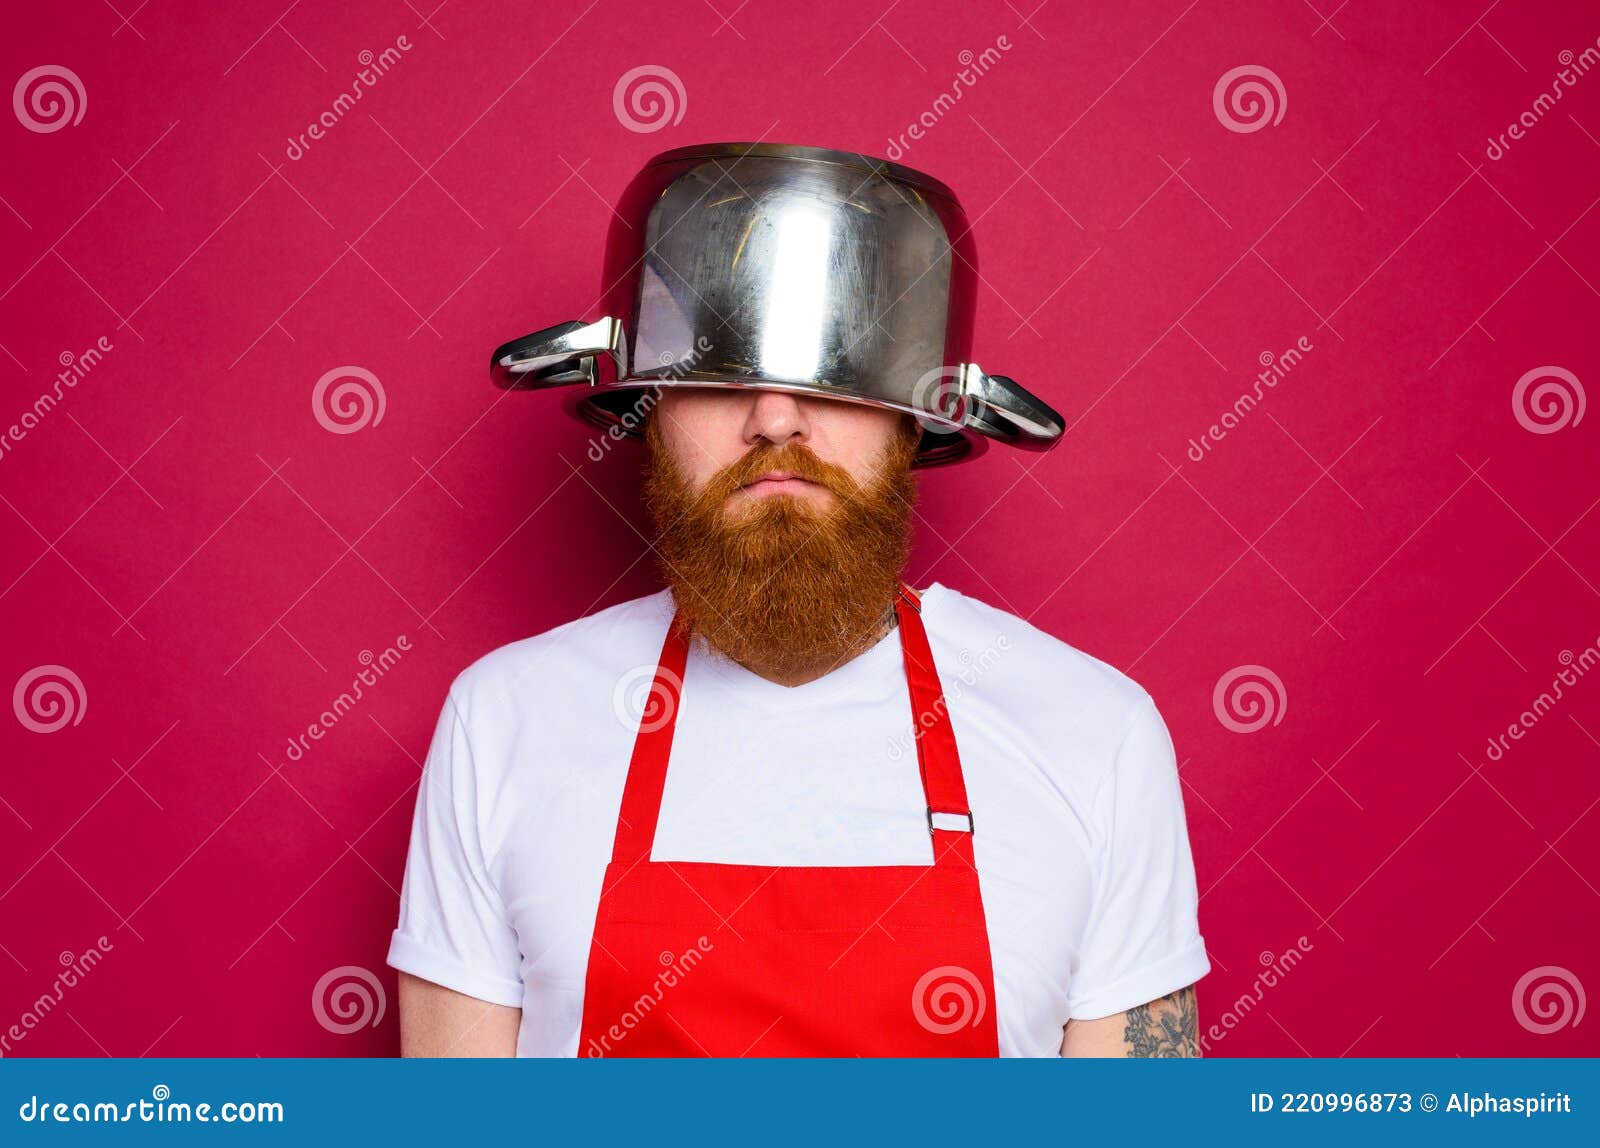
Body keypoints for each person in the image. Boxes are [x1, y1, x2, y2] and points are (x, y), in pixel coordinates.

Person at [386, 380, 1210, 1057]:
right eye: (716, 371)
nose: (775, 419)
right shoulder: (503, 719)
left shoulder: (1096, 731)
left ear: (917, 414)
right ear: (648, 406)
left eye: (839, 367)